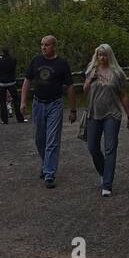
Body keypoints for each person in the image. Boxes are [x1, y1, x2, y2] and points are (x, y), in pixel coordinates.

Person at [20, 35, 76, 188]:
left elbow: (70, 86)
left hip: (55, 105)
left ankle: (49, 174)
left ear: (54, 46)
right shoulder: (36, 60)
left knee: (52, 140)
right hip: (38, 104)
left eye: (47, 45)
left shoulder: (62, 64)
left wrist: (73, 109)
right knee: (40, 139)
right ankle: (46, 164)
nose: (44, 47)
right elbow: (27, 80)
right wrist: (23, 101)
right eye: (42, 44)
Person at [83, 44, 129, 197]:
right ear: (96, 56)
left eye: (105, 55)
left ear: (109, 56)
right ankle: (104, 172)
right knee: (93, 147)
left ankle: (107, 184)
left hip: (112, 115)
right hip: (94, 114)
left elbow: (123, 95)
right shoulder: (91, 70)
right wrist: (89, 80)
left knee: (110, 148)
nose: (102, 57)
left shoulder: (117, 74)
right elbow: (85, 90)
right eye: (99, 55)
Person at [0, 46, 24, 124]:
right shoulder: (13, 59)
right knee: (16, 100)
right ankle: (20, 118)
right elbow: (14, 67)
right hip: (11, 82)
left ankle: (4, 120)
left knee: (2, 101)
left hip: (2, 83)